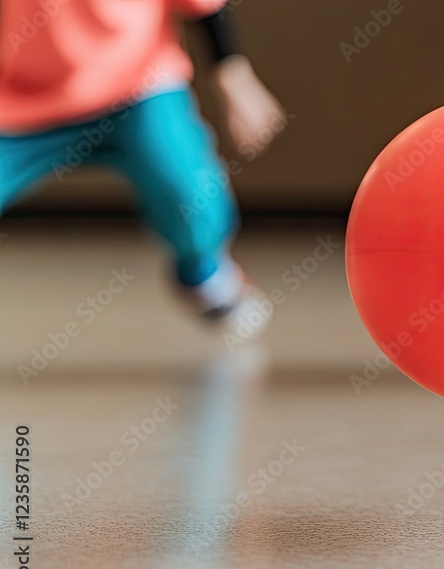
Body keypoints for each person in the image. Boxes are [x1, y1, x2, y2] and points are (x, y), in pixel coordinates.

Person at [0, 0, 285, 336]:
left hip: (137, 86)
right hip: (16, 103)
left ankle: (203, 271)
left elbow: (204, 5)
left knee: (191, 197)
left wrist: (232, 73)